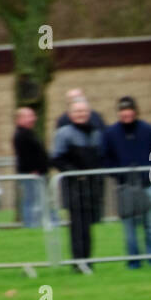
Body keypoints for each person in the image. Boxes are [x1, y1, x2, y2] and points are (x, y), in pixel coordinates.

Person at [101, 96, 151, 267]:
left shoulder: (148, 130)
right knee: (129, 228)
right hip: (124, 187)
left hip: (147, 185)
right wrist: (119, 174)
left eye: (128, 110)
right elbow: (105, 159)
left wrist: (150, 171)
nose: (126, 113)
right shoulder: (110, 133)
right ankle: (134, 261)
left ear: (135, 110)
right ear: (119, 112)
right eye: (122, 110)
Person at [51, 99, 104, 273]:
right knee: (77, 226)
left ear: (88, 113)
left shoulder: (96, 133)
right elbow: (57, 158)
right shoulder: (64, 133)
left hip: (91, 186)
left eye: (83, 111)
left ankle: (88, 262)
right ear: (70, 114)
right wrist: (74, 172)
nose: (81, 115)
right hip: (74, 187)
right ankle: (78, 263)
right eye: (77, 112)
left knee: (88, 226)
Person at [12, 107, 49, 228]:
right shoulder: (21, 135)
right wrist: (34, 170)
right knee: (31, 201)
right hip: (31, 174)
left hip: (35, 173)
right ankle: (31, 224)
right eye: (29, 116)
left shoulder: (28, 133)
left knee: (36, 200)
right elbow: (26, 156)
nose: (33, 119)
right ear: (20, 119)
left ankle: (37, 223)